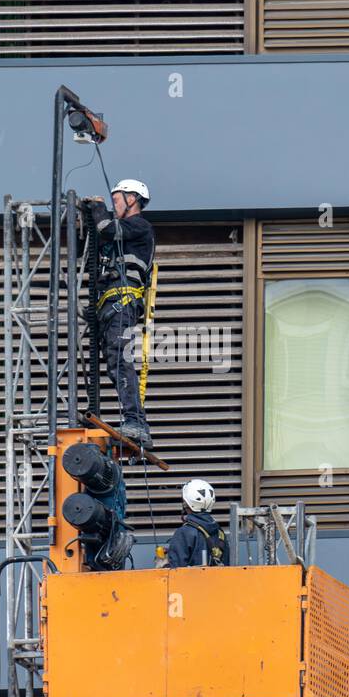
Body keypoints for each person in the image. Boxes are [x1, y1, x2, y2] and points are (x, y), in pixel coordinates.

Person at [89, 180, 155, 448]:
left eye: (117, 199)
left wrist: (97, 207)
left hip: (123, 301)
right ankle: (133, 420)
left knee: (120, 362)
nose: (114, 204)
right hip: (109, 304)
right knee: (113, 364)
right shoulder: (122, 234)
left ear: (133, 200)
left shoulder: (140, 226)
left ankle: (136, 423)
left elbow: (105, 228)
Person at [166, 480, 230, 568]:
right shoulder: (220, 533)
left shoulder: (184, 533)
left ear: (186, 503)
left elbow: (175, 572)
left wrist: (163, 565)